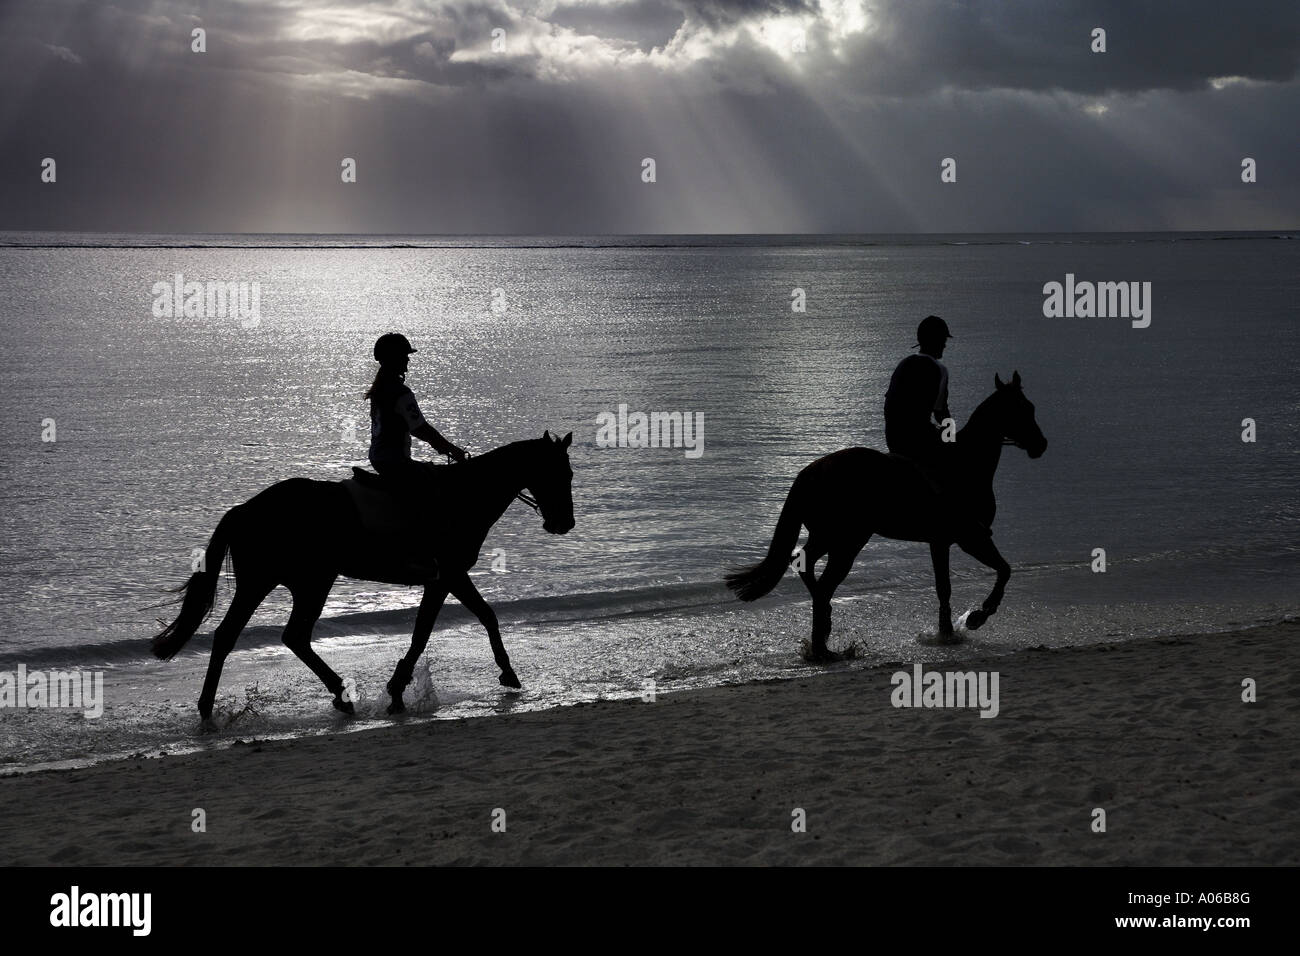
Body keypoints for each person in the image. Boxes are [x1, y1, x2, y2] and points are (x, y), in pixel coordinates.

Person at [364, 332, 467, 575]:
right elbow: (420, 428)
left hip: (379, 456)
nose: (408, 361)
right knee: (430, 497)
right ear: (395, 359)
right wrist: (452, 450)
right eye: (404, 357)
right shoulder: (400, 392)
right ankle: (418, 556)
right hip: (394, 459)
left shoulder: (380, 389)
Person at [883, 315, 953, 470]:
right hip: (917, 442)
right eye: (943, 341)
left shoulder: (904, 363)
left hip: (892, 438)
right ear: (936, 341)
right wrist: (952, 437)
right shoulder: (939, 369)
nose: (945, 346)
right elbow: (941, 413)